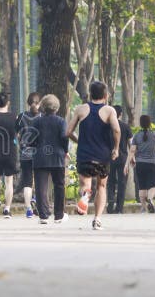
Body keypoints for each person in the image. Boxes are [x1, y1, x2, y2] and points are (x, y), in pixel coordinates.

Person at [66, 81, 120, 231]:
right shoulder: (109, 111)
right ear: (106, 95)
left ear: (90, 94)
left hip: (85, 154)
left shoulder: (81, 109)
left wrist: (79, 141)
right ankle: (97, 219)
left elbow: (68, 132)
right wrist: (115, 149)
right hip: (103, 155)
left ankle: (85, 195)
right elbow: (116, 130)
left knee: (86, 184)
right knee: (102, 186)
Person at [31, 95, 69, 224]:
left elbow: (31, 139)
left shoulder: (36, 121)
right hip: (57, 156)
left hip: (40, 157)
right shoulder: (61, 121)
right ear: (56, 107)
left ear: (43, 107)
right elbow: (64, 137)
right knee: (59, 185)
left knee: (41, 187)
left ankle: (43, 215)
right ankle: (59, 215)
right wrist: (66, 151)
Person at [129, 115, 155, 213]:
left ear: (140, 123)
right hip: (152, 164)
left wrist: (131, 160)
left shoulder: (136, 135)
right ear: (149, 123)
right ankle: (150, 198)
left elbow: (132, 150)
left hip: (140, 164)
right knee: (153, 186)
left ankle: (144, 208)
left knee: (142, 186)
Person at [16, 92, 41, 218]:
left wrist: (20, 143)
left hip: (25, 152)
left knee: (27, 181)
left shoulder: (21, 116)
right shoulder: (42, 116)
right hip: (40, 153)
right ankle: (36, 199)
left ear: (28, 103)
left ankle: (29, 210)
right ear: (39, 103)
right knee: (39, 179)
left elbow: (16, 134)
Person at [107, 105, 132, 214]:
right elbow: (131, 143)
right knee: (122, 182)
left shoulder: (107, 127)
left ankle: (111, 199)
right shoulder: (125, 126)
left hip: (109, 157)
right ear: (121, 114)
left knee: (110, 180)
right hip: (123, 158)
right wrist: (133, 157)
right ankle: (119, 208)